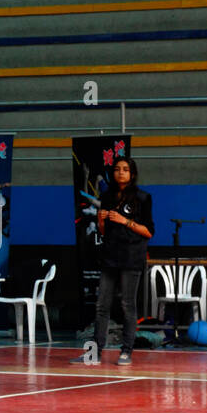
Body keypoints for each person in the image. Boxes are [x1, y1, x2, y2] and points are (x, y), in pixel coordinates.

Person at [71, 156, 152, 366]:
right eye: (117, 169)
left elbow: (148, 231)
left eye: (125, 169)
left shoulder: (142, 198)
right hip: (110, 257)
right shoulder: (107, 197)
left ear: (132, 173)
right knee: (101, 305)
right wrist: (100, 221)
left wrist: (125, 220)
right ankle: (94, 352)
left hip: (131, 257)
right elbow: (104, 231)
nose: (121, 173)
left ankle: (126, 350)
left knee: (127, 304)